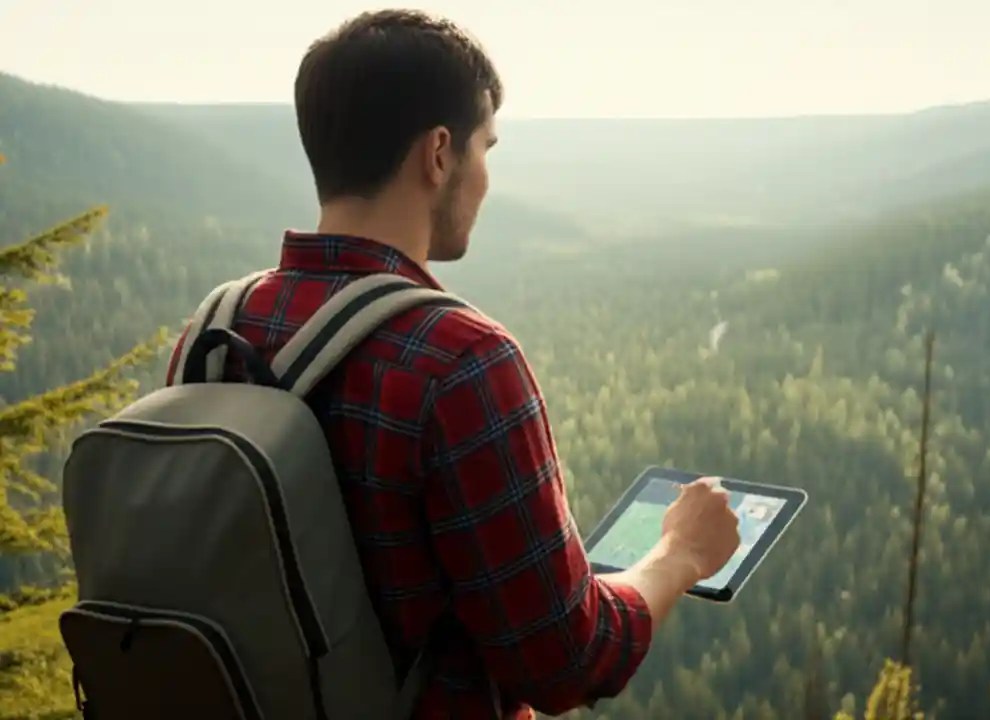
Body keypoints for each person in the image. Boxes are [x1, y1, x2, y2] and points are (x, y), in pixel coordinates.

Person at [163, 9, 741, 720]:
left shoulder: (215, 330)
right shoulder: (462, 361)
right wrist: (681, 553)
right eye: (485, 147)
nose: (487, 177)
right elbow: (566, 661)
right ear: (439, 154)